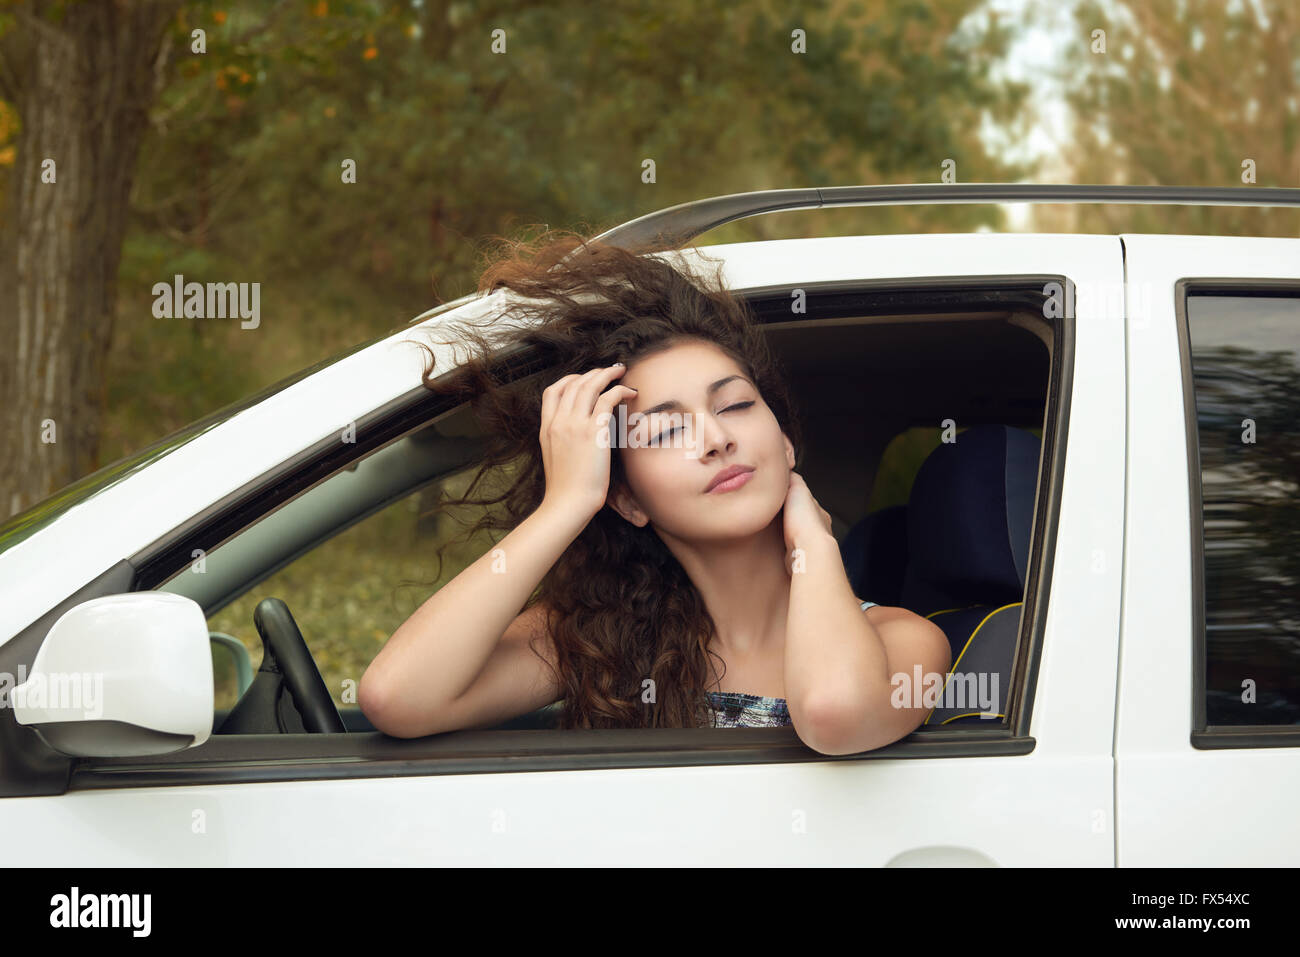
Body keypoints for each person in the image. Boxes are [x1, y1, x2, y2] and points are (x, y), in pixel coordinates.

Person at [358, 229, 950, 754]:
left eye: (738, 405)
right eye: (667, 429)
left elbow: (835, 714)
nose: (716, 438)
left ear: (785, 442)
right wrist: (564, 505)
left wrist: (813, 542)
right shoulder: (603, 642)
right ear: (626, 499)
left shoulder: (905, 642)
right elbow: (398, 697)